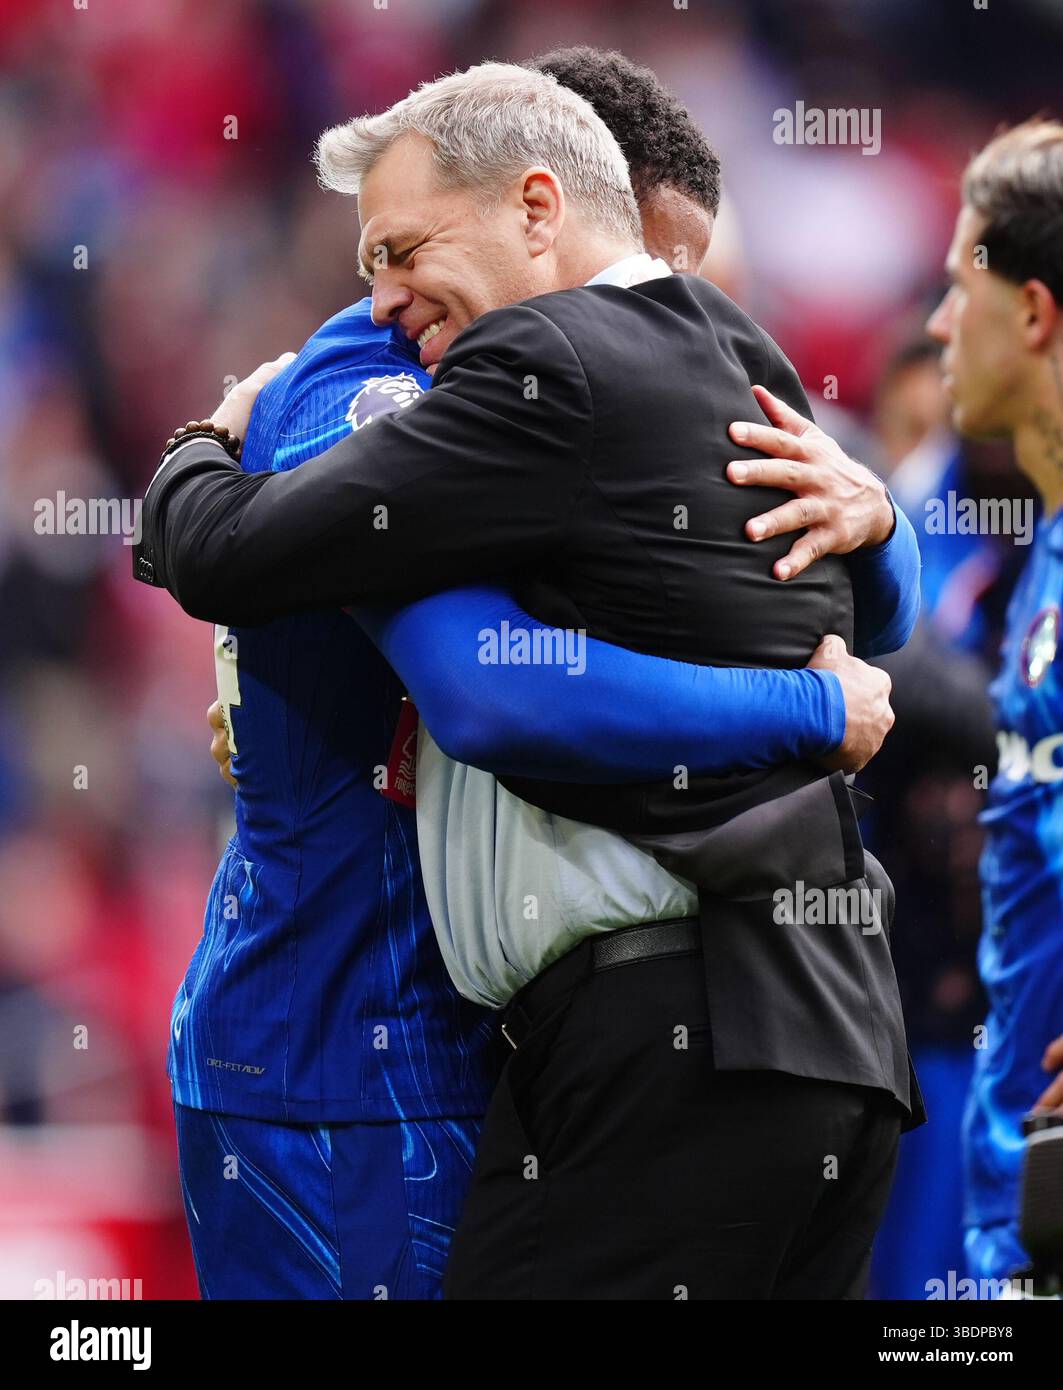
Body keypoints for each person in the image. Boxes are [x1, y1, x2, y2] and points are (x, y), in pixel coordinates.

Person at [136, 61, 922, 1299]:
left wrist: (881, 529)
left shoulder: (587, 361)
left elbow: (847, 590)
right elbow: (486, 682)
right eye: (656, 263)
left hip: (611, 1039)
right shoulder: (410, 386)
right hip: (372, 1057)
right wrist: (836, 656)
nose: (659, 304)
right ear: (547, 201)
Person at [925, 119, 1063, 1285]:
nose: (934, 327)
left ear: (1032, 313)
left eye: (954, 288)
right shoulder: (1038, 568)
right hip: (1013, 1203)